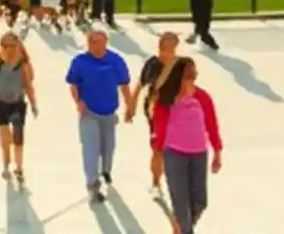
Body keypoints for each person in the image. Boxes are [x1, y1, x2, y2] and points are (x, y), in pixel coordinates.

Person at [152, 57, 223, 234]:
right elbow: (159, 125)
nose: (192, 78)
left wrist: (217, 151)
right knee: (181, 203)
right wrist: (158, 151)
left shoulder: (202, 97)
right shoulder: (167, 99)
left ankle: (181, 226)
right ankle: (184, 228)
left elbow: (211, 124)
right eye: (188, 75)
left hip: (199, 153)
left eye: (194, 74)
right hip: (175, 154)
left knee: (200, 201)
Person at [65, 28, 132, 202]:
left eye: (98, 42)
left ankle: (106, 171)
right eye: (91, 42)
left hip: (109, 112)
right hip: (89, 113)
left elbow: (124, 85)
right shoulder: (80, 62)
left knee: (108, 148)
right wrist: (78, 101)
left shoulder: (115, 61)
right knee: (91, 149)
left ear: (105, 43)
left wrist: (130, 106)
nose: (94, 46)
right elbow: (73, 84)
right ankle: (92, 184)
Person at [0, 32, 37, 183]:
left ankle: (19, 167)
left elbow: (28, 85)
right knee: (5, 139)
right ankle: (6, 165)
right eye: (4, 46)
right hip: (1, 103)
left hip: (17, 104)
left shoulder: (22, 63)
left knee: (18, 137)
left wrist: (33, 103)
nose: (7, 49)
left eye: (10, 46)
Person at [129, 32, 180, 199]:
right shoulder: (154, 64)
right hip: (157, 109)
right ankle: (156, 183)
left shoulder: (181, 64)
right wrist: (132, 106)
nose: (171, 51)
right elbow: (148, 85)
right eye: (168, 48)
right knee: (159, 148)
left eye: (174, 48)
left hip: (177, 110)